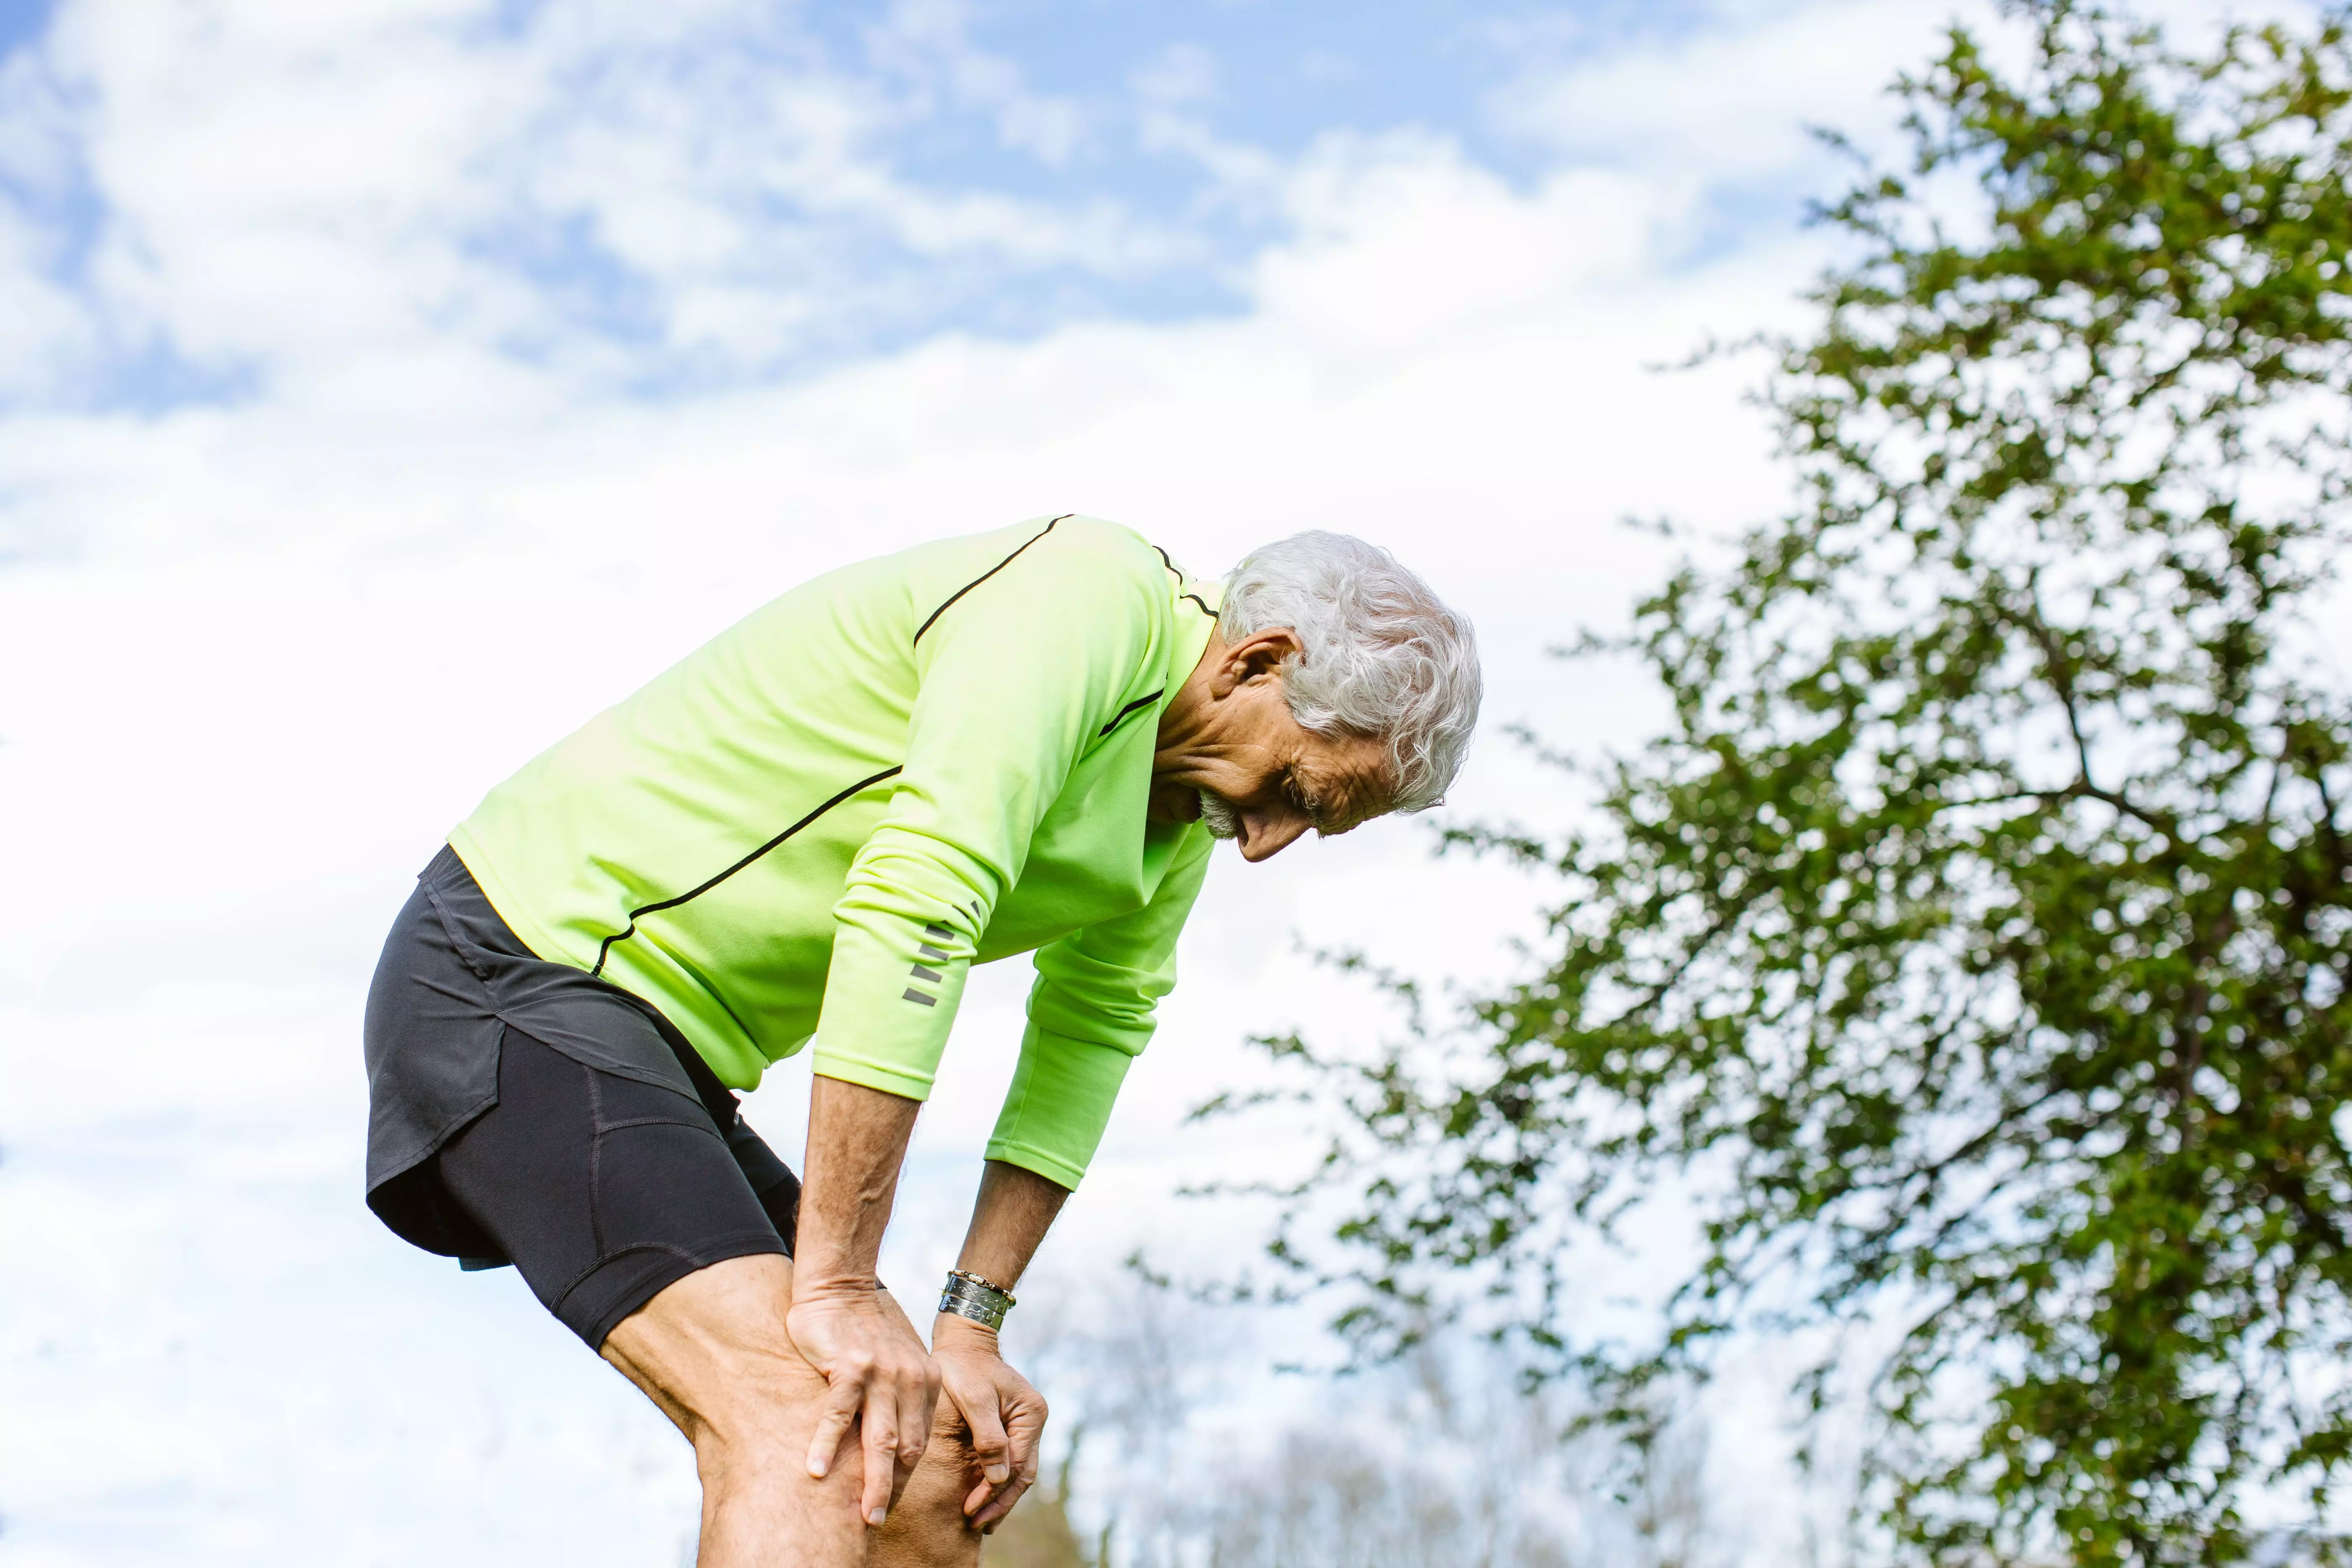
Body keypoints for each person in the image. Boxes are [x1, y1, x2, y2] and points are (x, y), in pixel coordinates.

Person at [361, 515, 1481, 1566]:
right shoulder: (1084, 602)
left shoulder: (1176, 812)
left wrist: (971, 1321)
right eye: (1294, 788)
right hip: (515, 969)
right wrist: (840, 1280)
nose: (1267, 842)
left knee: (924, 1470)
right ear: (1255, 660)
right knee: (822, 1426)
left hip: (658, 1053)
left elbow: (1094, 1030)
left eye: (1317, 826)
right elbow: (917, 900)